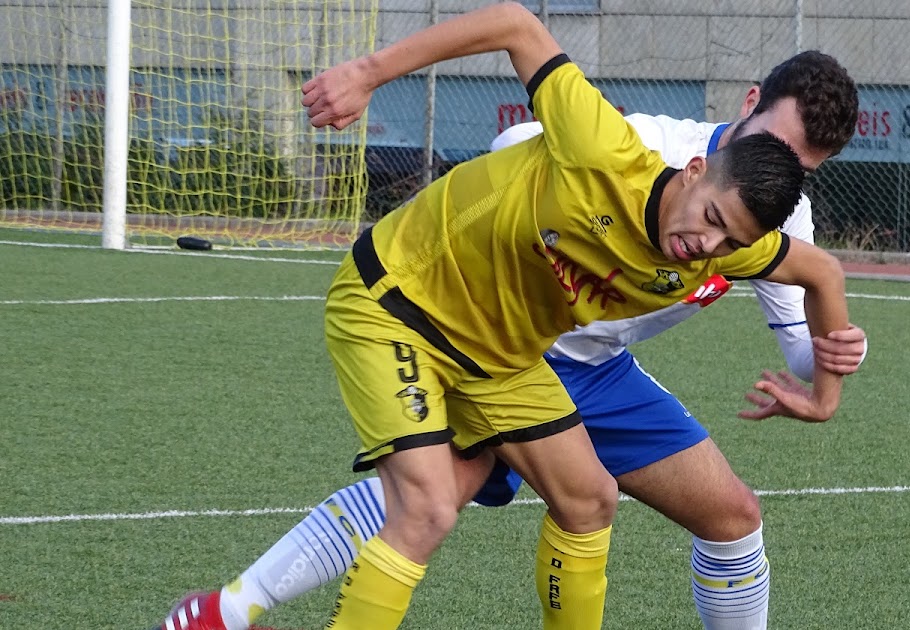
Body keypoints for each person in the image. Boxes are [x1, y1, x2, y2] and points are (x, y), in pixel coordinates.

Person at [159, 3, 853, 629]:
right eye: (779, 145)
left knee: (620, 502)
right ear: (734, 125)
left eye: (804, 166)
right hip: (412, 304)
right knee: (429, 501)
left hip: (534, 355)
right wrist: (369, 75)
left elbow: (820, 277)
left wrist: (827, 384)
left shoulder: (761, 219)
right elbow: (517, 28)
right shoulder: (620, 148)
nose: (709, 244)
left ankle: (222, 613)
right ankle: (226, 611)